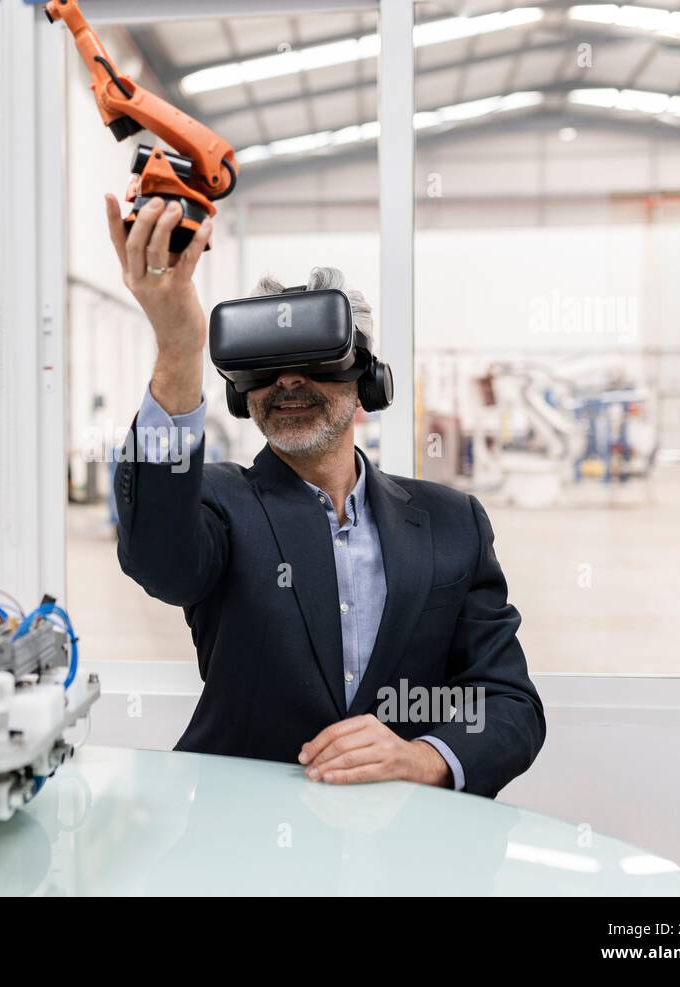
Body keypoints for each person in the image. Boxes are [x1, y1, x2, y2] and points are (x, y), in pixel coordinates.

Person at [107, 194, 545, 798]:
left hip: (403, 844)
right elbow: (158, 557)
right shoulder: (217, 504)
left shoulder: (452, 522)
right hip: (240, 839)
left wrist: (423, 757)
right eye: (264, 365)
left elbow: (507, 704)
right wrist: (180, 347)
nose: (288, 381)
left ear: (367, 380)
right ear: (241, 394)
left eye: (315, 360)